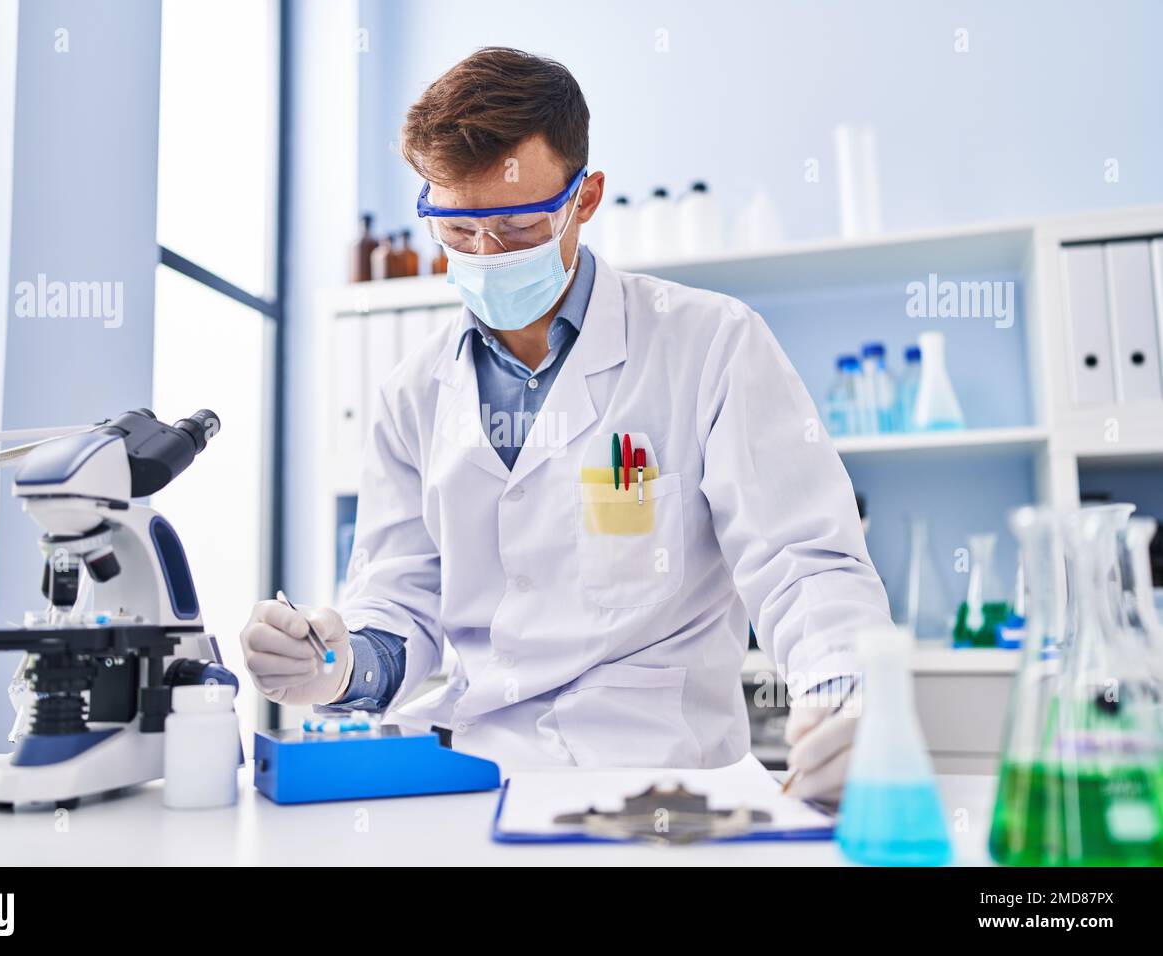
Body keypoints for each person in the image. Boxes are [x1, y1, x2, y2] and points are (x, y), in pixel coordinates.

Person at [241, 47, 891, 801]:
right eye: (454, 229)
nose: (484, 255)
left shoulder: (710, 343)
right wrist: (339, 664)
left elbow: (801, 562)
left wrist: (843, 683)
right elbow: (400, 604)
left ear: (585, 198)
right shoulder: (411, 394)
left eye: (515, 226)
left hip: (662, 783)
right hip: (469, 779)